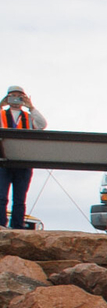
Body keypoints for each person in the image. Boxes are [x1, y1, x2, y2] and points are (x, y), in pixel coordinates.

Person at [1, 87, 43, 231]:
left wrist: (31, 107)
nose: (16, 99)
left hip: (23, 162)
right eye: (12, 96)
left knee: (19, 200)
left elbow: (42, 124)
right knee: (1, 197)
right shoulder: (1, 114)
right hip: (4, 162)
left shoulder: (29, 117)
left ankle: (17, 227)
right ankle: (1, 226)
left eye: (19, 96)